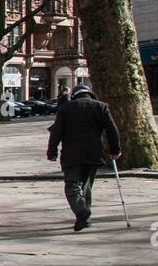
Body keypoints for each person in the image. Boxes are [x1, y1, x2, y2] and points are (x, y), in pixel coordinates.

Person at [48, 84, 121, 232]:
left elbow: (56, 132)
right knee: (86, 186)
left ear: (74, 95)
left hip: (72, 153)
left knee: (72, 184)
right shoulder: (101, 107)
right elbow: (112, 130)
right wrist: (115, 150)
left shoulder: (65, 109)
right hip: (94, 152)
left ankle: (82, 212)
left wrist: (52, 150)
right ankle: (85, 218)